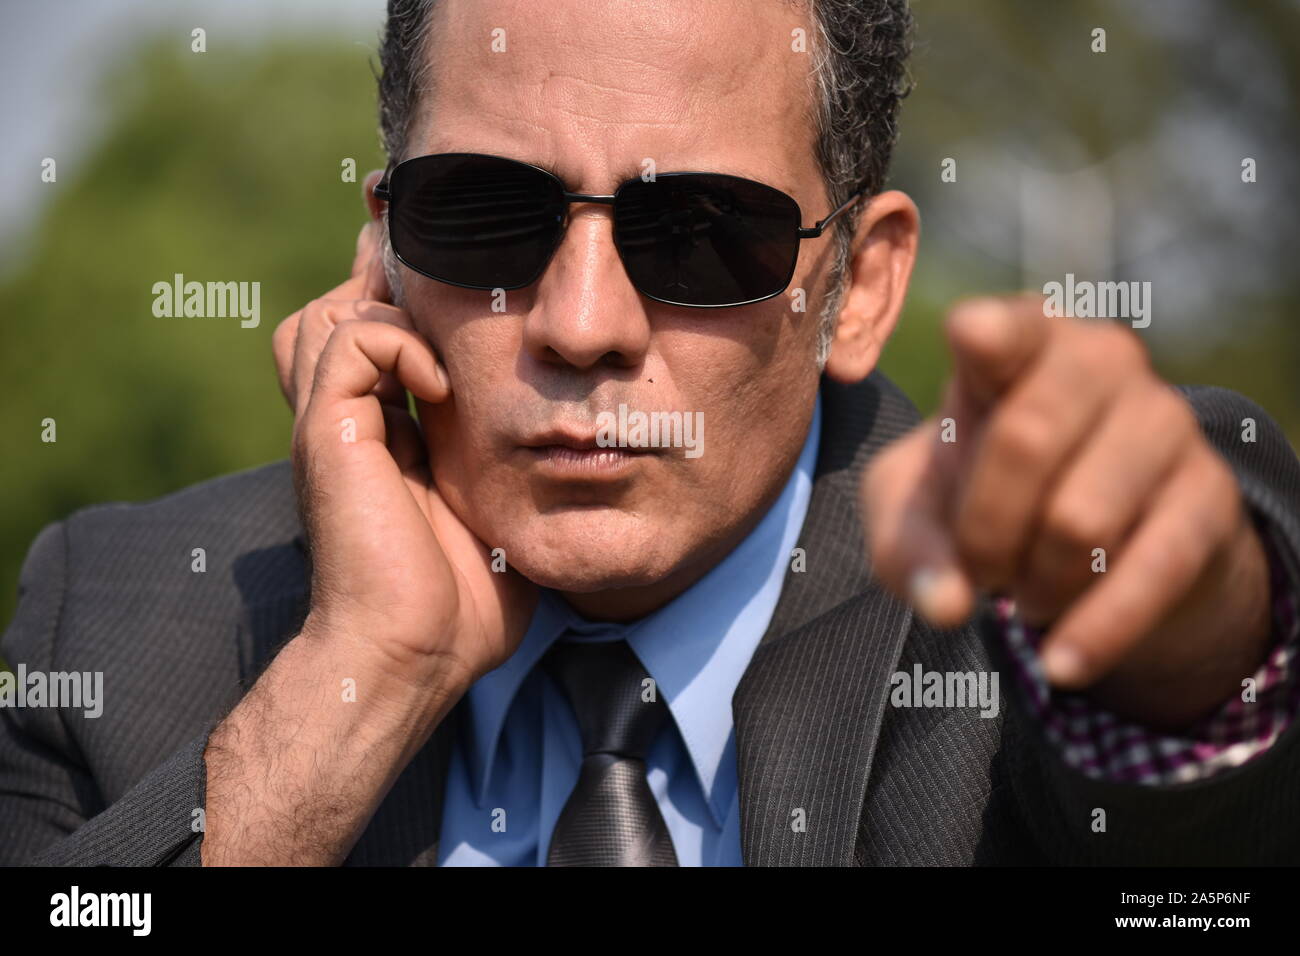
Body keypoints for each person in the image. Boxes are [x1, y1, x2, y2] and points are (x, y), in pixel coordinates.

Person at [4, 0, 1299, 867]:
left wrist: (1194, 627)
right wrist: (349, 695)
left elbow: (1209, 791)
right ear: (384, 252)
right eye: (485, 217)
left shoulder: (1001, 630)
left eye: (697, 235)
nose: (579, 325)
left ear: (860, 288)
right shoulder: (112, 618)